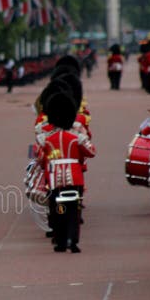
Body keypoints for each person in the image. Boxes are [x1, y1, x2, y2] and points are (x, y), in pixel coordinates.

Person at [37, 86, 96, 253]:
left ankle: (61, 241)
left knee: (59, 210)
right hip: (75, 178)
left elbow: (39, 158)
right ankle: (73, 241)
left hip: (55, 179)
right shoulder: (76, 137)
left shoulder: (46, 139)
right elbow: (91, 152)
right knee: (73, 211)